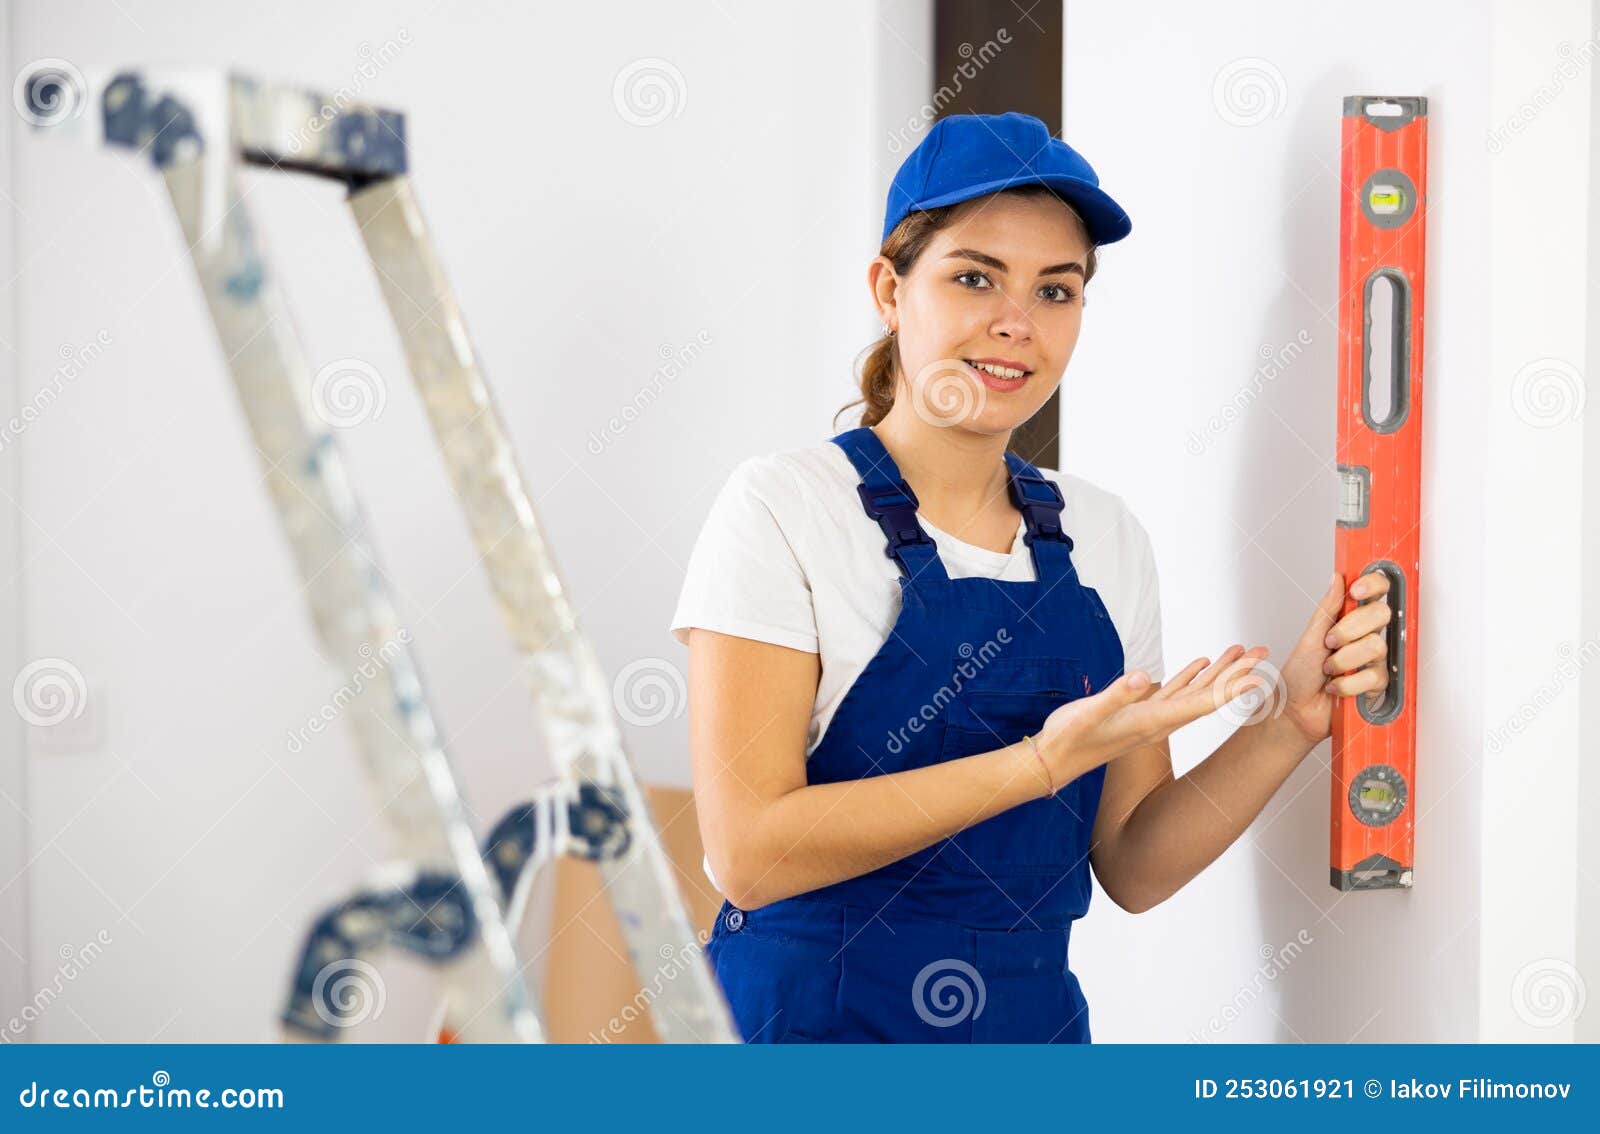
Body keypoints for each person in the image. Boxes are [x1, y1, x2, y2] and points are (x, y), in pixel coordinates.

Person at [669, 111, 1393, 1043]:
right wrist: (1044, 762)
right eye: (974, 278)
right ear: (889, 290)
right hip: (812, 1034)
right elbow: (750, 854)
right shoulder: (784, 507)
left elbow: (1133, 864)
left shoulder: (1102, 535)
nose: (1016, 324)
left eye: (1057, 291)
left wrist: (1289, 719)